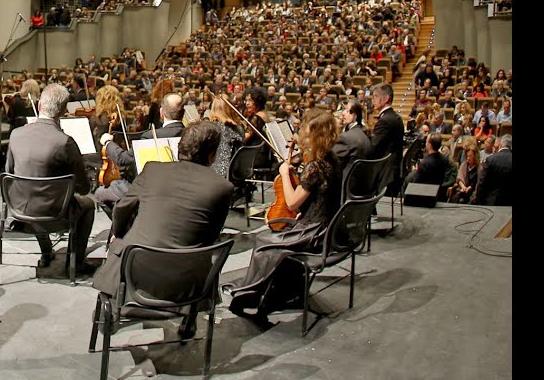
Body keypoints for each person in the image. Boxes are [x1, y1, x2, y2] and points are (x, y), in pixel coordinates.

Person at [93, 121, 233, 339]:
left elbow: (121, 209)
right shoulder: (223, 187)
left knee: (120, 243)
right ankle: (189, 320)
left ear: (179, 147)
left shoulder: (153, 170)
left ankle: (111, 310)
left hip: (136, 272)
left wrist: (117, 235)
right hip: (187, 283)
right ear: (212, 155)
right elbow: (212, 235)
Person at [227, 108, 343, 326]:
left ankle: (252, 293)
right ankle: (267, 290)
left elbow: (291, 202)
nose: (301, 137)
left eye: (305, 133)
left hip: (313, 232)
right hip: (328, 226)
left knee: (264, 242)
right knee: (271, 241)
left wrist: (283, 174)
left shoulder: (316, 167)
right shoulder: (333, 159)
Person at [5, 83, 98, 275]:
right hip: (55, 212)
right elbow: (83, 188)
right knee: (88, 205)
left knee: (34, 194)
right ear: (63, 112)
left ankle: (47, 251)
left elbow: (9, 173)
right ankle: (76, 263)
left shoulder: (16, 134)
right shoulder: (65, 142)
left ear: (39, 106)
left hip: (20, 208)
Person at [370, 83, 405, 195]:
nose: (372, 100)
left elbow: (373, 146)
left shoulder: (385, 120)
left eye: (375, 96)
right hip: (393, 169)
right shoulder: (395, 117)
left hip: (386, 173)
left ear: (386, 99)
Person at [472, 134, 512, 205]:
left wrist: (479, 201)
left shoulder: (491, 159)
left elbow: (482, 182)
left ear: (500, 145)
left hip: (492, 202)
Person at [333, 101, 373, 167]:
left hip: (347, 176)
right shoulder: (365, 134)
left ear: (354, 116)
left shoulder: (345, 138)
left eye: (347, 111)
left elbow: (333, 160)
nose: (343, 113)